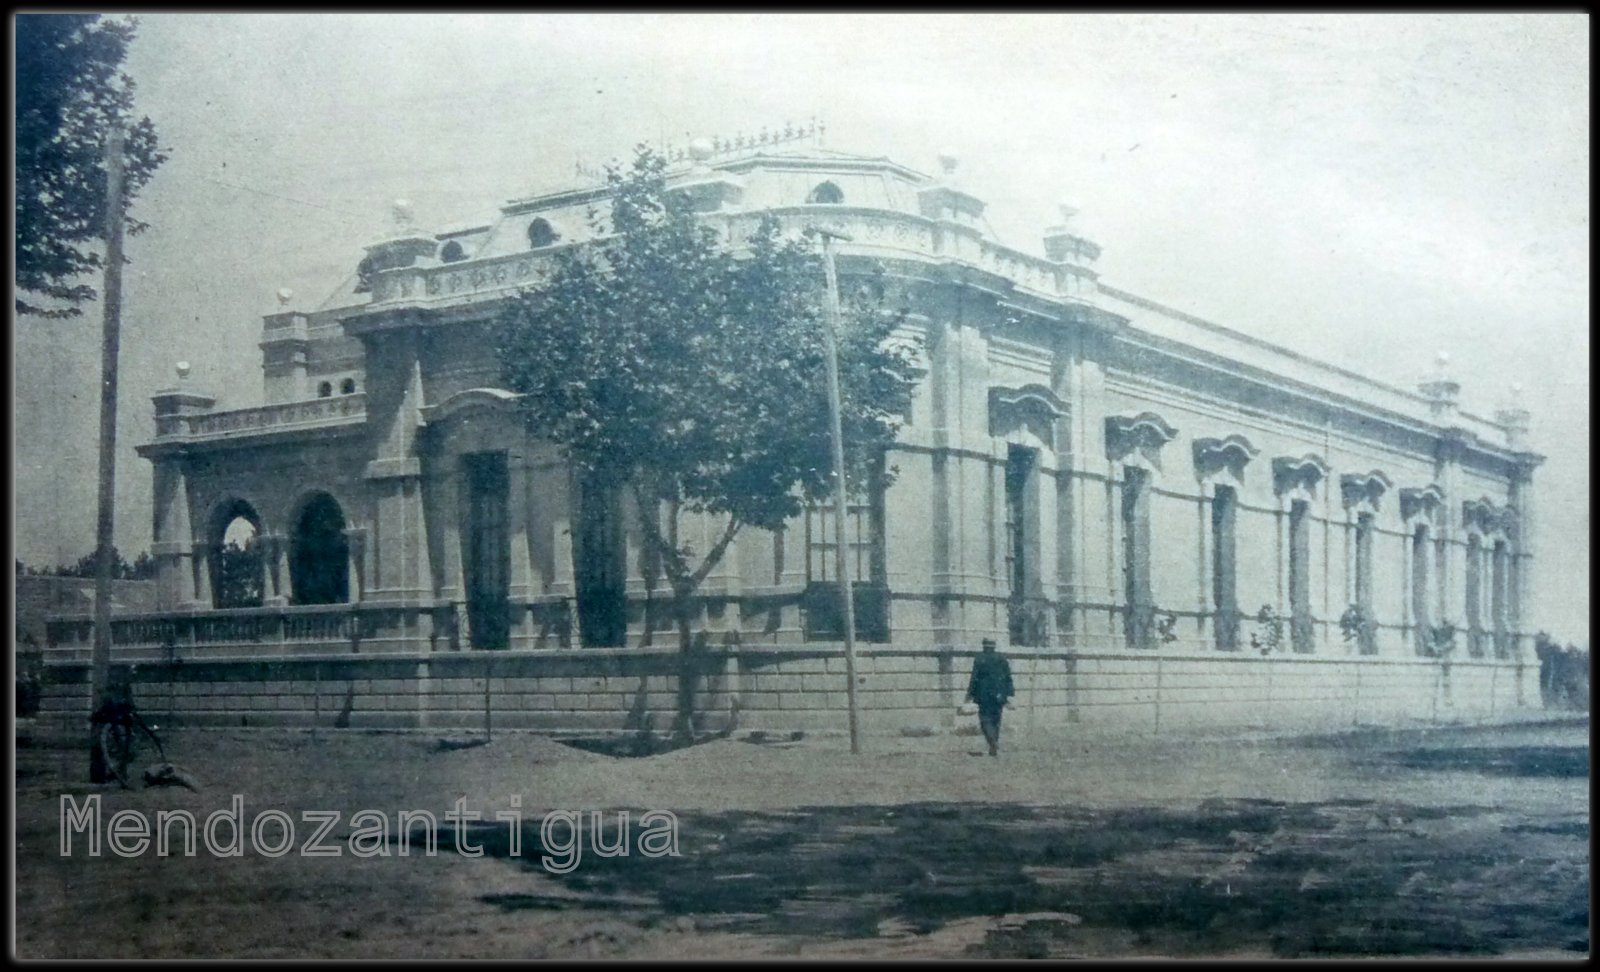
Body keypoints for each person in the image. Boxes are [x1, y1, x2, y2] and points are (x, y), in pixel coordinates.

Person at [965, 638, 1015, 757]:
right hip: (999, 695)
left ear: (984, 646)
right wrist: (1009, 693)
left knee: (985, 719)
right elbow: (1008, 677)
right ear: (994, 646)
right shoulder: (1002, 658)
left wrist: (970, 694)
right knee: (996, 720)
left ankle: (992, 741)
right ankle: (994, 744)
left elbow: (974, 677)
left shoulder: (979, 659)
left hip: (984, 695)